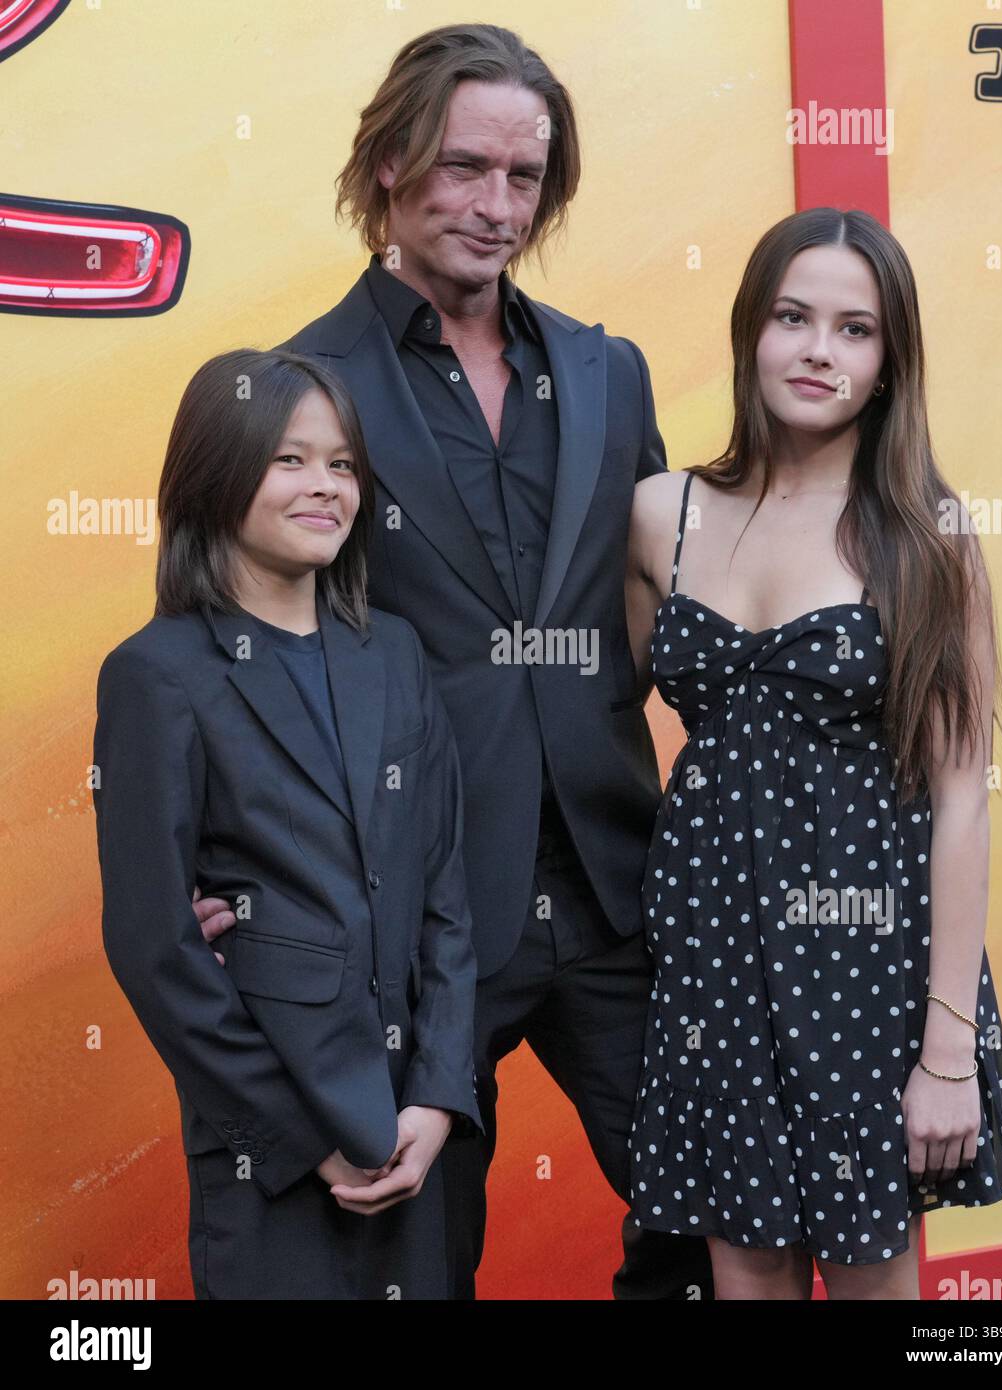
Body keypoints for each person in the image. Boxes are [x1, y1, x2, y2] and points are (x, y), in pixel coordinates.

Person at [192, 23, 714, 1299]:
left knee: (710, 1228)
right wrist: (216, 868)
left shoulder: (605, 370)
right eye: (461, 166)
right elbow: (233, 636)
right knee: (406, 1259)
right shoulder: (306, 389)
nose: (494, 207)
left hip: (611, 889)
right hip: (406, 911)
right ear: (387, 166)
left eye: (522, 178)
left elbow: (667, 600)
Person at [624, 207, 1002, 1300]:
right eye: (791, 316)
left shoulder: (924, 537)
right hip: (710, 960)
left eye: (853, 329)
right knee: (744, 1271)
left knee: (870, 1279)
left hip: (865, 967)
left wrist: (944, 1050)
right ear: (748, 331)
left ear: (887, 359)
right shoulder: (657, 516)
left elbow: (959, 800)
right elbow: (590, 721)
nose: (817, 349)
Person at [93, 347, 481, 1299]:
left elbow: (444, 894)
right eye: (290, 460)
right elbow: (156, 945)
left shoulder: (392, 652)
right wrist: (301, 1144)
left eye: (343, 464)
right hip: (268, 1148)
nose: (326, 487)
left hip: (414, 1133)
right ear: (217, 472)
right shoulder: (156, 675)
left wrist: (438, 1095)